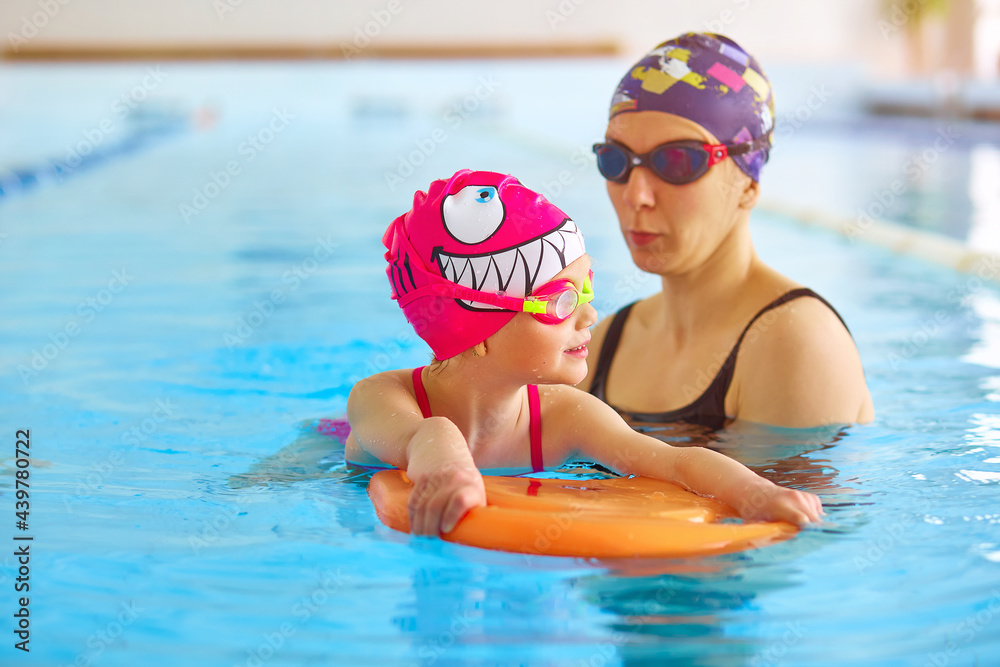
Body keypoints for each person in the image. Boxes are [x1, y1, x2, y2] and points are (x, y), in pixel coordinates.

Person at [346, 169, 823, 536]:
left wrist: (756, 492)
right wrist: (447, 464)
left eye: (587, 288)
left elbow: (673, 462)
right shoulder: (381, 398)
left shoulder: (565, 417)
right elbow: (422, 437)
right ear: (475, 328)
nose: (590, 315)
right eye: (560, 299)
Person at [583, 32, 874, 432]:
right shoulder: (603, 344)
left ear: (749, 184)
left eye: (678, 160)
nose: (636, 195)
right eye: (616, 160)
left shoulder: (796, 342)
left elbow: (787, 497)